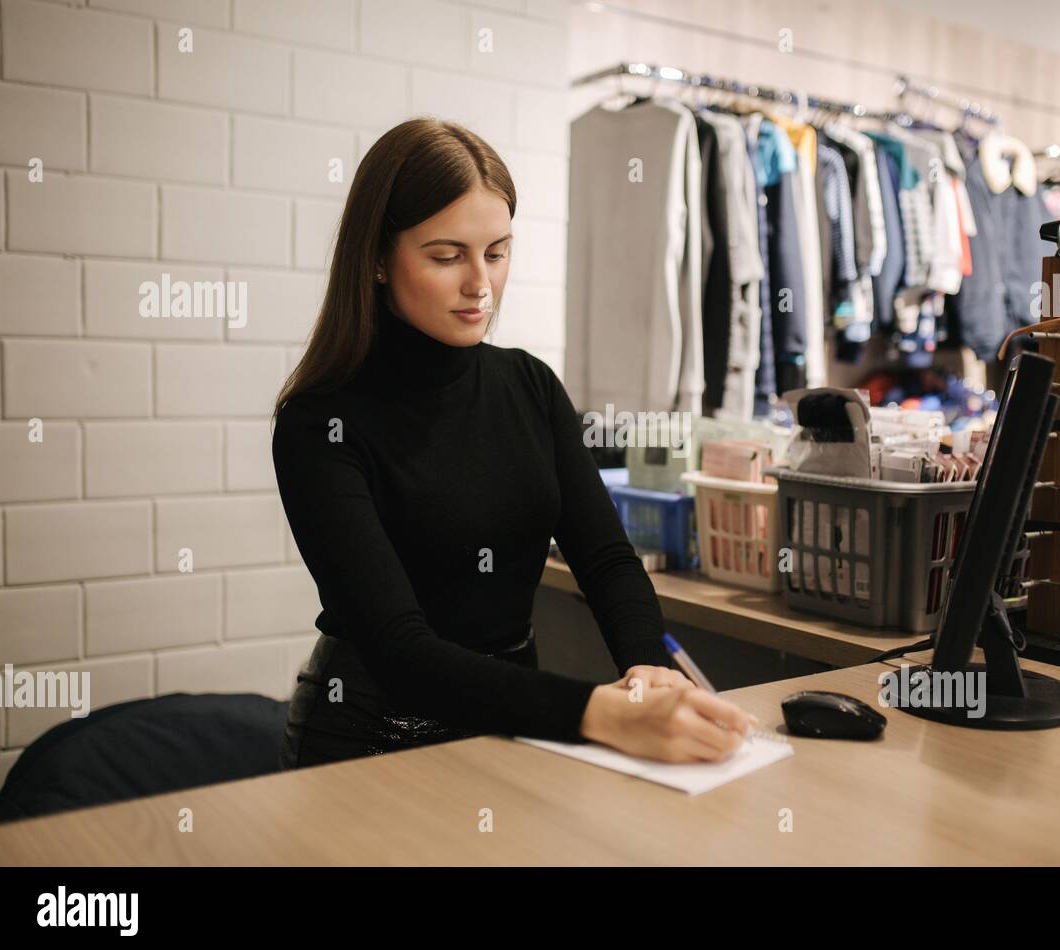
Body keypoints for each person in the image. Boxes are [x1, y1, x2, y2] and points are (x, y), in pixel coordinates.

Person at [271, 118, 757, 770]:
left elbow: (608, 558)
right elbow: (400, 648)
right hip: (372, 740)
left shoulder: (528, 385)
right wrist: (600, 713)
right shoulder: (320, 423)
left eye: (497, 252)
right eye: (447, 256)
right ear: (379, 259)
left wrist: (647, 668)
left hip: (508, 723)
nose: (480, 284)